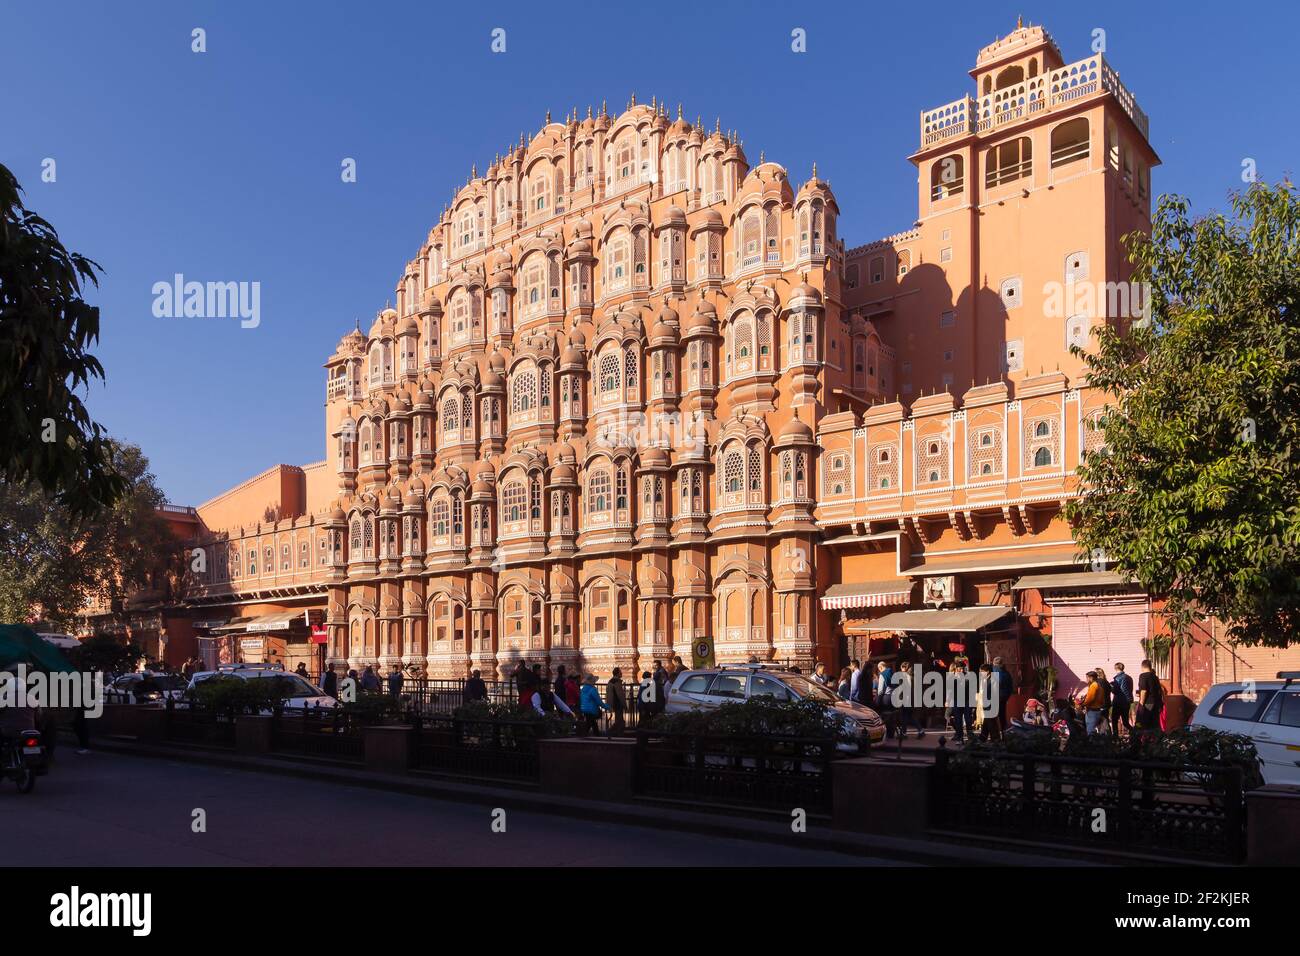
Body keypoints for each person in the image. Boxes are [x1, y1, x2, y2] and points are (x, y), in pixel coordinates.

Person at [895, 660, 926, 738]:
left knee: (904, 716)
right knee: (910, 716)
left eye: (901, 668)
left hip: (905, 699)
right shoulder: (912, 675)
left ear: (904, 668)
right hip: (911, 699)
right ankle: (920, 730)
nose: (901, 670)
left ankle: (904, 733)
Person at [946, 659, 973, 743]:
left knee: (968, 720)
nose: (961, 670)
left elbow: (971, 689)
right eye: (959, 669)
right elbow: (949, 689)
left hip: (967, 701)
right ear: (956, 669)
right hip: (956, 700)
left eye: (962, 668)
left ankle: (970, 738)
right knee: (958, 720)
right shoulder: (952, 677)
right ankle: (960, 738)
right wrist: (947, 700)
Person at [1136, 659, 1164, 731]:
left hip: (1147, 703)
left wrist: (1141, 703)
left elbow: (1144, 691)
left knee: (1141, 721)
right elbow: (1159, 690)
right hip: (1156, 702)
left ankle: (1139, 737)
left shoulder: (1143, 676)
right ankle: (1154, 739)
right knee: (1153, 723)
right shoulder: (1155, 677)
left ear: (1142, 667)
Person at [977, 664, 1002, 741]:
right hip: (987, 704)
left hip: (991, 704)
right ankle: (983, 737)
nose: (981, 674)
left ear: (987, 671)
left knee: (991, 723)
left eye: (982, 672)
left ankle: (995, 739)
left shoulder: (993, 680)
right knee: (987, 722)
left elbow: (995, 693)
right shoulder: (987, 679)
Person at [1110, 662, 1134, 736]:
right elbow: (1129, 689)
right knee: (1125, 722)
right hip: (1127, 702)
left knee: (1114, 720)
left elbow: (1116, 691)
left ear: (1116, 668)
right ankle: (1135, 732)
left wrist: (1111, 687)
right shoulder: (1129, 677)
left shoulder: (1118, 678)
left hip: (1118, 702)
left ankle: (1115, 736)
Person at [606, 667, 627, 736]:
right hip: (617, 703)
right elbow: (620, 694)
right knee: (619, 720)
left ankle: (615, 732)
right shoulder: (617, 682)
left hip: (612, 702)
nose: (621, 673)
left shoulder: (610, 681)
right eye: (620, 672)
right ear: (617, 673)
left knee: (619, 719)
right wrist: (624, 704)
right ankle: (614, 733)